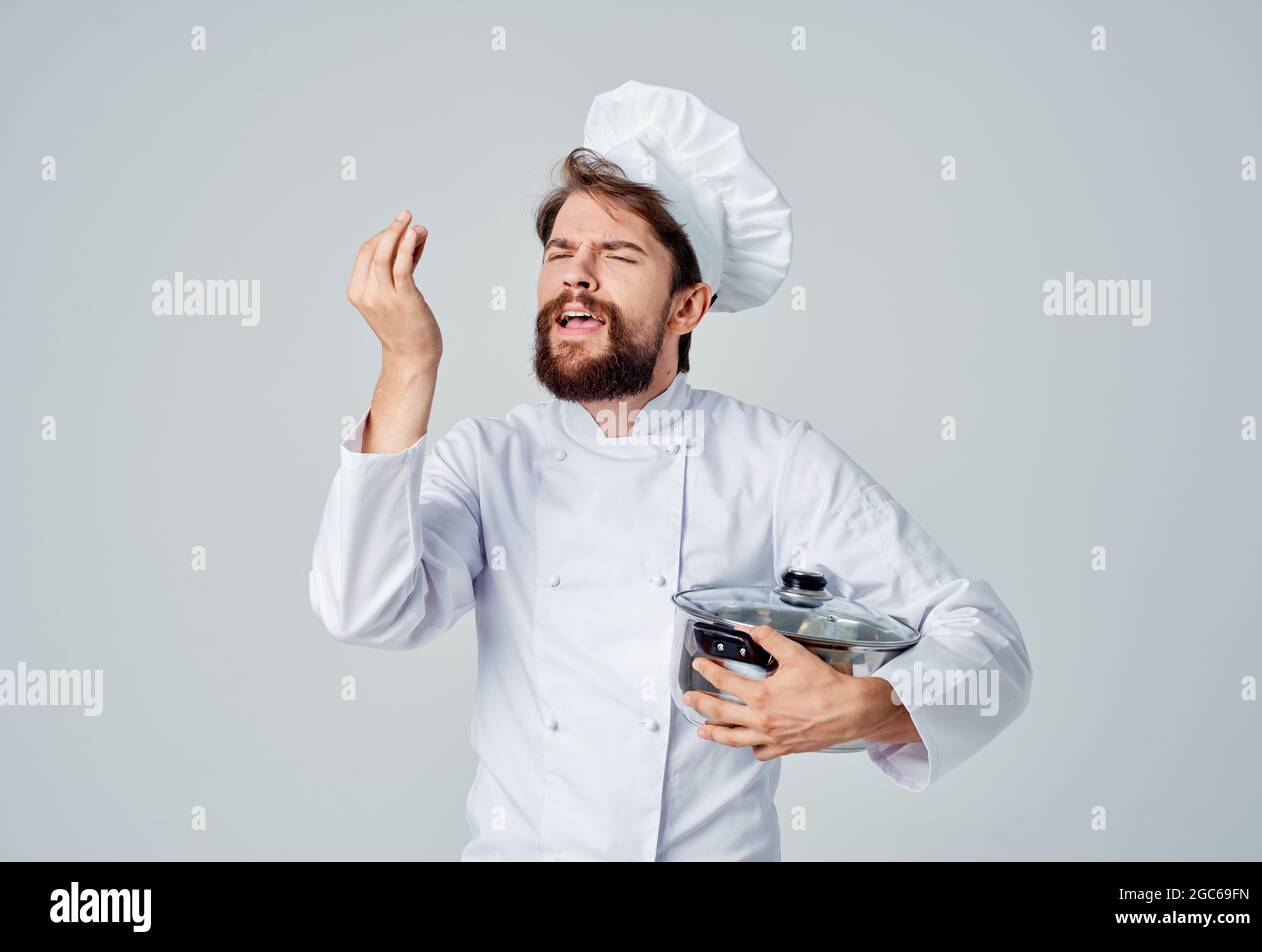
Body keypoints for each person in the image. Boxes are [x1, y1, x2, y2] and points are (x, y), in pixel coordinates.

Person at [308, 80, 1032, 861]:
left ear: (688, 307)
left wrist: (869, 706)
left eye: (616, 254)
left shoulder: (774, 462)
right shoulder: (489, 460)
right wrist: (409, 365)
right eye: (560, 253)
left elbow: (990, 652)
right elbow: (362, 609)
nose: (576, 275)